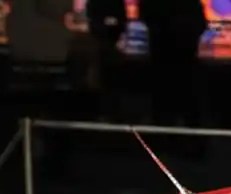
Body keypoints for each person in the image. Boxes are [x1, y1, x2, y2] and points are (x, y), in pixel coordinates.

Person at [139, 0, 207, 128]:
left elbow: (200, 24)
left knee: (172, 97)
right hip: (175, 57)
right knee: (180, 96)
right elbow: (201, 24)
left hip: (172, 57)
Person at [87, 0, 129, 119]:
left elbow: (122, 20)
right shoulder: (96, 4)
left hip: (111, 42)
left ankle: (113, 111)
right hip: (102, 42)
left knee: (113, 78)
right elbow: (93, 20)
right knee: (103, 78)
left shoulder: (115, 3)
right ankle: (105, 111)